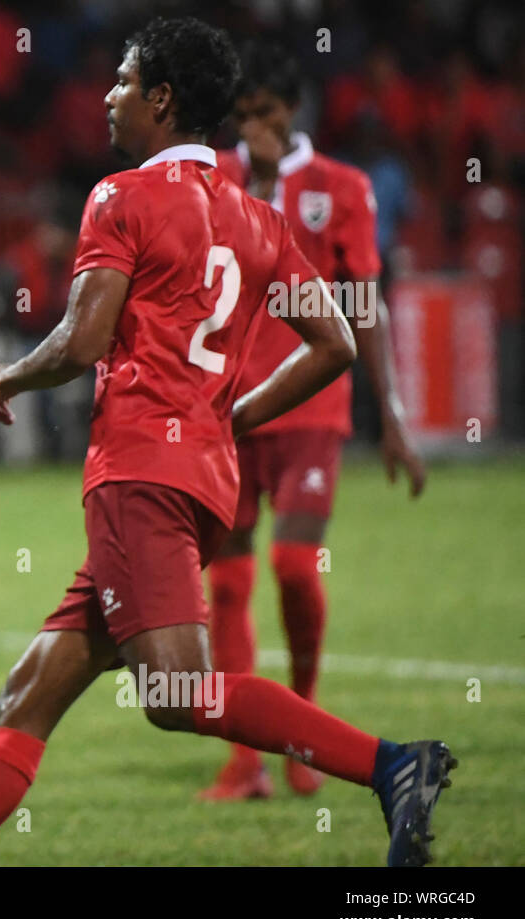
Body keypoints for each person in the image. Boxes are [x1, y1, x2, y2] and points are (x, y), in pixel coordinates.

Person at [0, 17, 453, 868]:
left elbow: (83, 343)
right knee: (26, 697)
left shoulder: (120, 197)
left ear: (161, 99)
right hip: (196, 477)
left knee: (173, 693)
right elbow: (336, 344)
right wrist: (231, 414)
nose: (108, 96)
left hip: (138, 478)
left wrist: (3, 377)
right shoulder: (256, 218)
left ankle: (390, 766)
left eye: (122, 81)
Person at [201, 41, 426, 801]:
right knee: (225, 588)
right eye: (241, 116)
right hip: (225, 409)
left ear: (292, 111)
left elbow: (363, 301)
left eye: (264, 113)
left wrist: (388, 412)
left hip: (309, 407)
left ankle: (303, 732)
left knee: (296, 567)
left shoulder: (342, 187)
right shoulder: (212, 181)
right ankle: (246, 760)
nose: (252, 129)